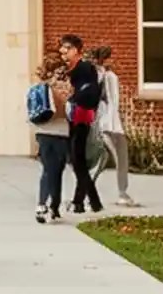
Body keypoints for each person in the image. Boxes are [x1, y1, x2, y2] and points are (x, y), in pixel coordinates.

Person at [60, 34, 103, 213]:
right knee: (78, 162)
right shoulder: (74, 69)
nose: (63, 51)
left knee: (78, 161)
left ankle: (89, 202)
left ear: (76, 50)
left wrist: (73, 99)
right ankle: (85, 202)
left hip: (82, 117)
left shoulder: (85, 68)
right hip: (76, 116)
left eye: (67, 48)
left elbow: (91, 92)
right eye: (61, 47)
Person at [91, 45, 137, 207]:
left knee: (102, 159)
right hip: (110, 125)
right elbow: (112, 102)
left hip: (105, 123)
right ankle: (122, 193)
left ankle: (86, 191)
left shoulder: (97, 75)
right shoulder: (107, 76)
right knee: (119, 158)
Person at [32, 48, 71, 224]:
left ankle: (47, 205)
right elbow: (66, 112)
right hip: (60, 133)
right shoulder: (63, 88)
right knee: (55, 170)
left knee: (49, 169)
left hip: (42, 132)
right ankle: (48, 205)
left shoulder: (38, 87)